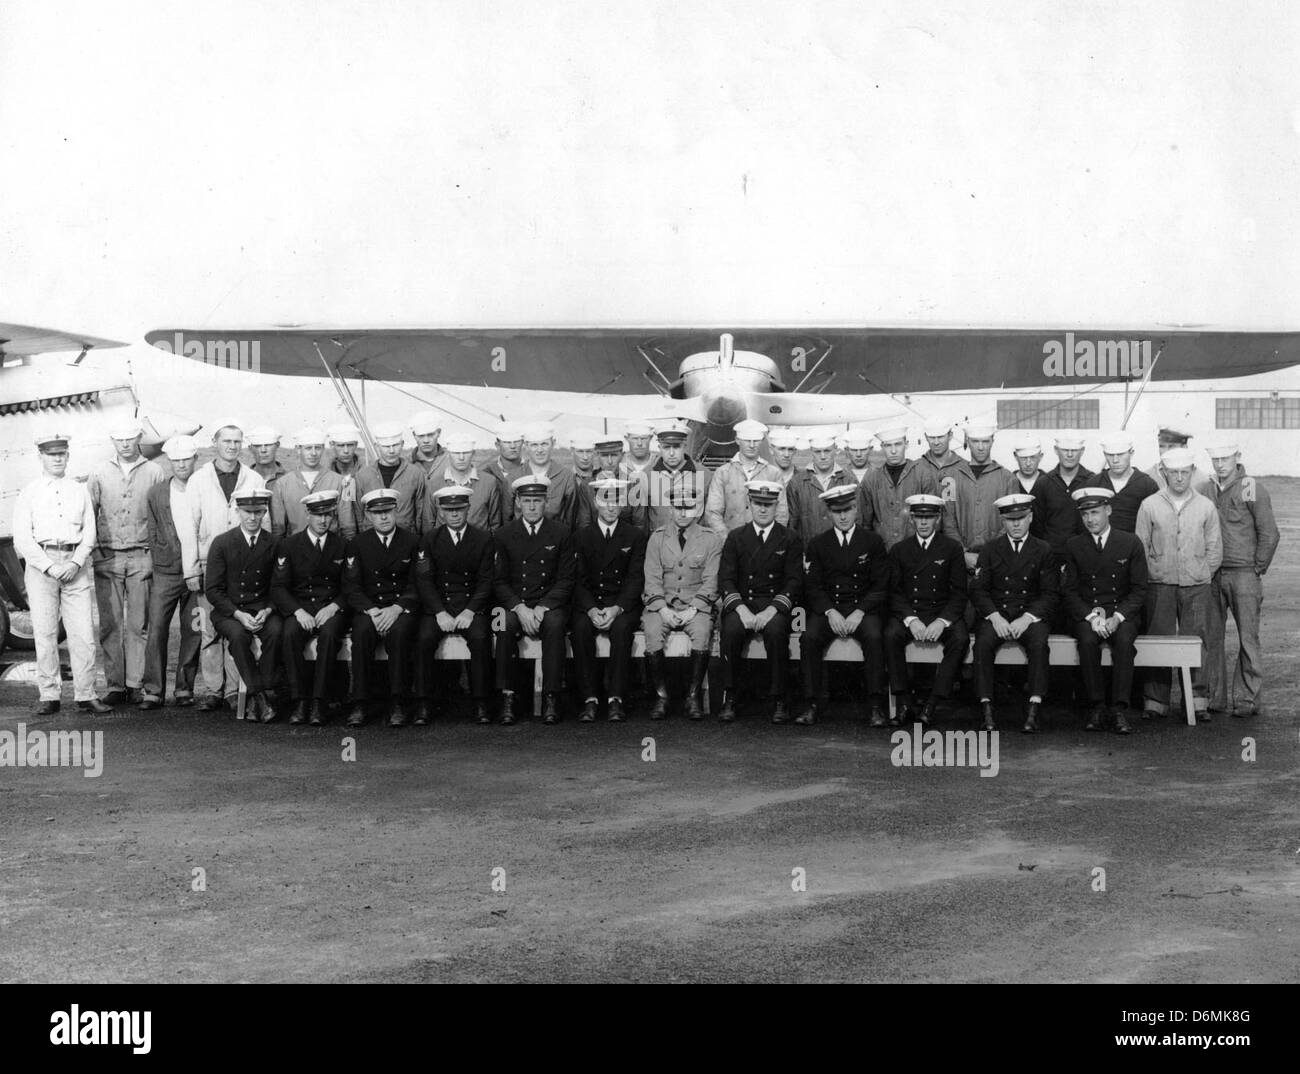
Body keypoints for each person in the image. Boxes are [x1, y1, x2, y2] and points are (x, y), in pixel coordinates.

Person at [13, 429, 111, 715]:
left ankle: (86, 694)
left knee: (82, 633)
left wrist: (74, 563)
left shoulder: (78, 489)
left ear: (68, 456)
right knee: (44, 632)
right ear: (40, 457)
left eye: (61, 454)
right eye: (51, 454)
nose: (57, 459)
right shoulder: (29, 492)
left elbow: (89, 533)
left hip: (74, 565)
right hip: (41, 565)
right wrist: (49, 566)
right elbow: (22, 537)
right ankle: (49, 694)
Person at [179, 420, 267, 711]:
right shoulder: (199, 479)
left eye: (237, 441)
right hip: (207, 563)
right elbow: (188, 526)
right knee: (209, 630)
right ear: (215, 443)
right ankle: (214, 689)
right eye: (226, 441)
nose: (232, 446)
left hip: (241, 565)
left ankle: (233, 689)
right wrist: (191, 569)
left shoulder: (253, 478)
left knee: (234, 627)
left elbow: (262, 522)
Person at [1134, 447, 1222, 721]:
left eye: (1185, 472)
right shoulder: (1149, 505)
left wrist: (1201, 572)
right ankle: (1155, 702)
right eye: (1174, 473)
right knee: (1157, 640)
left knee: (1197, 642)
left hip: (1196, 585)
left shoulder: (1206, 506)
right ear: (1164, 473)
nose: (1180, 478)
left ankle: (1197, 701)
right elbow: (1141, 545)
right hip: (1160, 584)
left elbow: (1214, 547)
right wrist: (1155, 573)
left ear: (1192, 472)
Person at [797, 485, 890, 727]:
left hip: (862, 608)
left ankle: (876, 705)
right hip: (831, 609)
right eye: (837, 511)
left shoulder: (873, 542)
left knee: (874, 636)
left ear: (856, 509)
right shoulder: (818, 544)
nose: (844, 516)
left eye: (848, 509)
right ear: (828, 513)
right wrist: (830, 612)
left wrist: (860, 611)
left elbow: (881, 585)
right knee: (808, 638)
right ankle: (811, 704)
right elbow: (813, 586)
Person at [88, 418, 165, 704]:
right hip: (107, 557)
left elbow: (160, 515)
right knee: (110, 624)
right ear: (112, 441)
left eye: (130, 438)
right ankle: (115, 685)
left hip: (141, 556)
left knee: (138, 624)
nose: (125, 443)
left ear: (139, 438)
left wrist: (153, 552)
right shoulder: (98, 472)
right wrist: (96, 550)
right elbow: (89, 514)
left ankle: (135, 683)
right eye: (119, 439)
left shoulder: (155, 472)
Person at [1203, 441, 1281, 717]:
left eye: (1225, 458)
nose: (1220, 464)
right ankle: (1214, 698)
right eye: (1215, 459)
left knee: (1248, 638)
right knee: (1211, 639)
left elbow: (1269, 533)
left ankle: (1246, 699)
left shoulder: (1250, 486)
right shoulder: (1207, 487)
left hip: (1244, 573)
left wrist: (1257, 566)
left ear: (1237, 457)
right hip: (1212, 575)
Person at [1061, 488, 1147, 735]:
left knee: (1124, 641)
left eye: (1095, 512)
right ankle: (1096, 706)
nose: (1090, 519)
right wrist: (1091, 617)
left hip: (1122, 612)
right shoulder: (1074, 545)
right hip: (1088, 612)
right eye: (1085, 514)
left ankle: (1119, 708)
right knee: (1087, 641)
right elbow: (1069, 591)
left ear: (1108, 510)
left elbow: (1140, 589)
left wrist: (1118, 617)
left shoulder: (1130, 542)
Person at [970, 494, 1058, 732]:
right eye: (1010, 519)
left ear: (1030, 518)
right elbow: (978, 590)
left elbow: (1050, 593)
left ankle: (1034, 709)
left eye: (1021, 518)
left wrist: (1027, 618)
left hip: (1029, 616)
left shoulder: (1043, 549)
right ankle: (986, 708)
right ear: (1003, 521)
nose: (1016, 524)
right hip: (998, 614)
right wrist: (995, 617)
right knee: (982, 644)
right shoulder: (990, 549)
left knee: (1040, 644)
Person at [492, 475, 575, 724]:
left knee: (555, 625)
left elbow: (566, 579)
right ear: (517, 502)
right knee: (502, 624)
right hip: (515, 604)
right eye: (526, 500)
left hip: (549, 603)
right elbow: (498, 581)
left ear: (546, 502)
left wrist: (543, 606)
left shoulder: (561, 533)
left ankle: (551, 695)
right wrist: (519, 608)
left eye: (536, 501)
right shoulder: (503, 534)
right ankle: (508, 695)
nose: (531, 506)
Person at [717, 481, 802, 722]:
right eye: (758, 504)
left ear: (776, 506)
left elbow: (794, 581)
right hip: (743, 603)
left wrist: (772, 610)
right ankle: (730, 696)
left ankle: (779, 698)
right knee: (731, 630)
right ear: (749, 504)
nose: (763, 509)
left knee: (776, 632)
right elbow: (726, 579)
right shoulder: (735, 537)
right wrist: (741, 609)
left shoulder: (790, 538)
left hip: (774, 605)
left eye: (768, 504)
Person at [884, 494, 969, 727]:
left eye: (928, 517)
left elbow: (960, 592)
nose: (923, 522)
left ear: (938, 519)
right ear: (911, 519)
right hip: (911, 613)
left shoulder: (951, 548)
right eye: (919, 517)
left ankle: (932, 703)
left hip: (941, 612)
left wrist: (942, 621)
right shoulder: (899, 550)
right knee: (890, 635)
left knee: (960, 639)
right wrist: (911, 620)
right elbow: (894, 592)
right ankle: (903, 702)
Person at [414, 485, 495, 726]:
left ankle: (481, 701)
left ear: (468, 508)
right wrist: (439, 612)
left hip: (471, 607)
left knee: (481, 638)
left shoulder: (482, 539)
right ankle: (424, 702)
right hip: (439, 608)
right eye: (449, 510)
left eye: (459, 509)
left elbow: (486, 580)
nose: (455, 514)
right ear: (441, 512)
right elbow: (424, 580)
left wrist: (470, 611)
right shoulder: (429, 540)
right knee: (423, 639)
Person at [641, 484, 721, 720]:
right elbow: (652, 578)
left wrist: (694, 608)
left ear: (699, 509)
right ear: (671, 509)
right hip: (662, 604)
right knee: (653, 631)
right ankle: (661, 697)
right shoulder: (657, 538)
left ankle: (692, 697)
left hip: (696, 605)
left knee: (702, 631)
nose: (684, 512)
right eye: (678, 507)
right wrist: (663, 610)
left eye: (690, 507)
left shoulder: (710, 539)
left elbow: (711, 581)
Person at [570, 479, 648, 721]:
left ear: (624, 502)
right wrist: (592, 610)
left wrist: (616, 609)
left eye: (616, 500)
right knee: (580, 628)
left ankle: (616, 698)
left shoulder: (634, 536)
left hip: (621, 605)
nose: (611, 507)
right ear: (596, 502)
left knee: (623, 629)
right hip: (590, 603)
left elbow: (636, 579)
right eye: (606, 500)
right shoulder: (581, 536)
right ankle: (590, 698)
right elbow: (577, 580)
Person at [343, 488, 421, 727]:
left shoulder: (412, 541)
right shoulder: (358, 543)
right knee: (362, 632)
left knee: (399, 634)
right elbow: (351, 586)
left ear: (396, 511)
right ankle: (360, 702)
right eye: (378, 513)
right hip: (371, 609)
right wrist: (372, 610)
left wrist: (397, 608)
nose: (384, 517)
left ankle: (398, 701)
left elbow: (418, 583)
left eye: (388, 511)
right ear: (368, 516)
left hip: (400, 608)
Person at [271, 489, 349, 726]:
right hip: (302, 607)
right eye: (318, 515)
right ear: (308, 515)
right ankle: (300, 700)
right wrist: (298, 611)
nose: (323, 520)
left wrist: (334, 606)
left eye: (328, 515)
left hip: (331, 608)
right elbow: (279, 587)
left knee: (329, 635)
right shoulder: (290, 545)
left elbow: (351, 586)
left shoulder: (343, 545)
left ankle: (319, 701)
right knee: (290, 633)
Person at [205, 489, 283, 722]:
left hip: (263, 608)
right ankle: (260, 694)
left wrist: (268, 610)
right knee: (238, 636)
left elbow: (279, 585)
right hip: (230, 611)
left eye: (258, 512)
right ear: (237, 511)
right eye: (247, 512)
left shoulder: (275, 543)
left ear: (264, 512)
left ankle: (261, 692)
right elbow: (213, 590)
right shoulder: (222, 543)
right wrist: (238, 614)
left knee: (277, 631)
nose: (252, 517)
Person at [140, 434, 201, 709]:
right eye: (176, 460)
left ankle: (184, 689)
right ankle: (153, 690)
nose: (182, 465)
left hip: (197, 571)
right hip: (166, 573)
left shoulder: (203, 489)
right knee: (157, 630)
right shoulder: (157, 493)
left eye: (187, 459)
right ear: (169, 461)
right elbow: (152, 531)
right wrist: (162, 560)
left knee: (193, 630)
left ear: (195, 459)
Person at [952, 423, 1017, 572]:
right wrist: (962, 553)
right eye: (975, 441)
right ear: (968, 442)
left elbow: (1012, 519)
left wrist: (991, 552)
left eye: (985, 441)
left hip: (998, 558)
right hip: (961, 559)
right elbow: (947, 517)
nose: (980, 447)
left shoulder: (1008, 478)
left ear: (992, 441)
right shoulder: (950, 478)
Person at [863, 425, 940, 549]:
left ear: (907, 444)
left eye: (898, 444)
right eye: (888, 445)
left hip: (917, 552)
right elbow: (866, 523)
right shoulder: (872, 479)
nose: (893, 451)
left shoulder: (923, 474)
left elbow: (935, 519)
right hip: (883, 552)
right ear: (882, 447)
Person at [704, 419, 787, 535]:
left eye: (756, 441)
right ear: (737, 440)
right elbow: (713, 513)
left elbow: (781, 513)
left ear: (762, 440)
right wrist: (727, 540)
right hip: (731, 543)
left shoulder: (773, 473)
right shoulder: (723, 472)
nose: (752, 445)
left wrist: (771, 542)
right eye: (747, 441)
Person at [785, 431, 865, 542]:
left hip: (841, 551)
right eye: (818, 452)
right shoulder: (796, 482)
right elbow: (792, 523)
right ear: (811, 452)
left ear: (835, 450)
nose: (823, 457)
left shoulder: (849, 480)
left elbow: (858, 519)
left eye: (827, 451)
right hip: (808, 551)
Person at [270, 426, 347, 538]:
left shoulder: (339, 481)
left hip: (331, 549)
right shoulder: (282, 484)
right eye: (308, 448)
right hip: (295, 549)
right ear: (298, 449)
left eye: (318, 448)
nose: (313, 453)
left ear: (323, 449)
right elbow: (278, 527)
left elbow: (347, 524)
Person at [420, 431, 503, 532]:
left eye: (466, 453)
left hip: (479, 545)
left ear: (473, 453)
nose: (461, 458)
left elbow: (495, 523)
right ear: (448, 454)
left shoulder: (489, 482)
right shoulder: (434, 484)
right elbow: (428, 523)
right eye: (456, 453)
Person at [356, 420, 427, 534]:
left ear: (402, 444)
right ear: (376, 446)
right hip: (372, 540)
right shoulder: (362, 476)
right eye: (386, 446)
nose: (391, 451)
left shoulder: (415, 473)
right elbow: (359, 514)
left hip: (406, 539)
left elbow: (420, 512)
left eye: (395, 445)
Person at [1031, 433, 1095, 557]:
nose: (1069, 455)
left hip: (1086, 554)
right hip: (1051, 556)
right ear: (1056, 450)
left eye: (1074, 450)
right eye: (1065, 450)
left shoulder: (1093, 482)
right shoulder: (1043, 483)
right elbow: (1036, 525)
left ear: (1082, 451)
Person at [644, 421, 711, 532]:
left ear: (684, 446)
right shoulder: (646, 476)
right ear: (659, 447)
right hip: (660, 544)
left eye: (676, 447)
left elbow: (709, 516)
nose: (671, 453)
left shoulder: (704, 474)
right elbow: (641, 519)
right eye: (666, 447)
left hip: (695, 544)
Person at [519, 422, 579, 528]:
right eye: (534, 445)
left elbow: (571, 518)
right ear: (526, 446)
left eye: (544, 444)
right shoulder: (514, 477)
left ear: (553, 443)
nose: (540, 450)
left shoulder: (566, 476)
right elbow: (507, 519)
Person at [1095, 434, 1159, 533]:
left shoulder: (1147, 485)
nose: (1115, 460)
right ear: (1104, 454)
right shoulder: (1094, 484)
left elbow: (1156, 526)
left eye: (1120, 454)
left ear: (1131, 453)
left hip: (1135, 546)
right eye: (1110, 455)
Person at [917, 419, 965, 539]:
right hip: (925, 540)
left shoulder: (965, 468)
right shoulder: (916, 468)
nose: (936, 442)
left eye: (940, 437)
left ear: (950, 435)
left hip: (958, 540)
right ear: (926, 437)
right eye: (932, 437)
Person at [482, 421, 527, 525]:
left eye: (517, 441)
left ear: (523, 443)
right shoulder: (486, 474)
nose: (513, 446)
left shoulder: (531, 472)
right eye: (507, 442)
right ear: (497, 445)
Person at [327, 423, 365, 539]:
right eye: (341, 445)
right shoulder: (325, 476)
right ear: (332, 445)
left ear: (356, 445)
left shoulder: (367, 473)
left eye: (350, 445)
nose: (346, 450)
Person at [409, 411, 445, 475]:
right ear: (414, 435)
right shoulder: (404, 463)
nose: (426, 440)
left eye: (430, 435)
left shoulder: (451, 460)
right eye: (421, 436)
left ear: (439, 433)